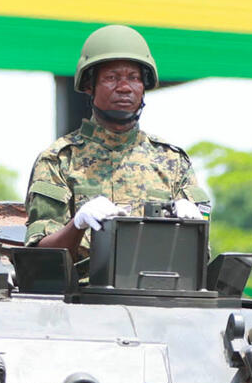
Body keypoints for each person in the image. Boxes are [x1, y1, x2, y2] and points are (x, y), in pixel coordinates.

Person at [24, 25, 208, 258]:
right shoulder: (59, 159)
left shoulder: (172, 162)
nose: (124, 88)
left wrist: (192, 228)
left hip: (155, 279)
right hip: (82, 281)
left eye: (134, 78)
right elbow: (39, 256)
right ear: (89, 86)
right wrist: (77, 224)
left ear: (143, 86)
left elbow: (200, 257)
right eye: (111, 78)